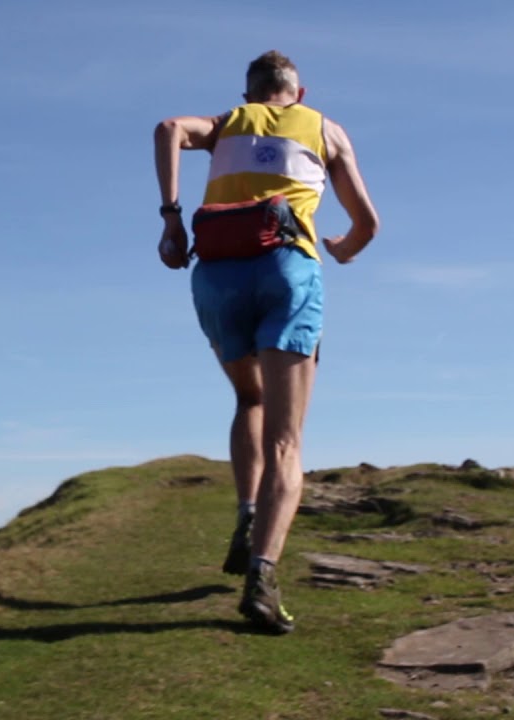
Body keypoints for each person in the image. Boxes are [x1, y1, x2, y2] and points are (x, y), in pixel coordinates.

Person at [152, 51, 379, 634]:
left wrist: (172, 220)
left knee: (248, 400)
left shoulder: (228, 123)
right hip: (286, 266)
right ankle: (262, 576)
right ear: (297, 93)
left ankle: (246, 511)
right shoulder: (324, 128)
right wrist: (344, 248)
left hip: (218, 272)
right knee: (287, 439)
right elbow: (367, 223)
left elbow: (168, 128)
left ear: (251, 91)